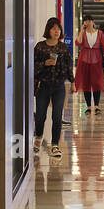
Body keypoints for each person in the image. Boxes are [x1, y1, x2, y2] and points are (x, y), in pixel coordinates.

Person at [33, 17, 74, 158]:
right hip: (43, 85)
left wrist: (73, 82)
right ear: (48, 30)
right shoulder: (40, 46)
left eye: (58, 28)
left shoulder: (63, 48)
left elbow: (69, 65)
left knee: (57, 116)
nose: (56, 31)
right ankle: (38, 136)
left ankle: (55, 145)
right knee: (40, 116)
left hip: (59, 86)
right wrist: (45, 63)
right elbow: (32, 66)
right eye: (53, 28)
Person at [74, 15, 104, 114]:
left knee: (97, 83)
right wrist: (82, 30)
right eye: (86, 21)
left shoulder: (99, 33)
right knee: (86, 83)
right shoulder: (83, 33)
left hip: (96, 61)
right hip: (84, 61)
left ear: (93, 21)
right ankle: (89, 107)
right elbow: (78, 42)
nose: (88, 22)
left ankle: (96, 105)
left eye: (89, 21)